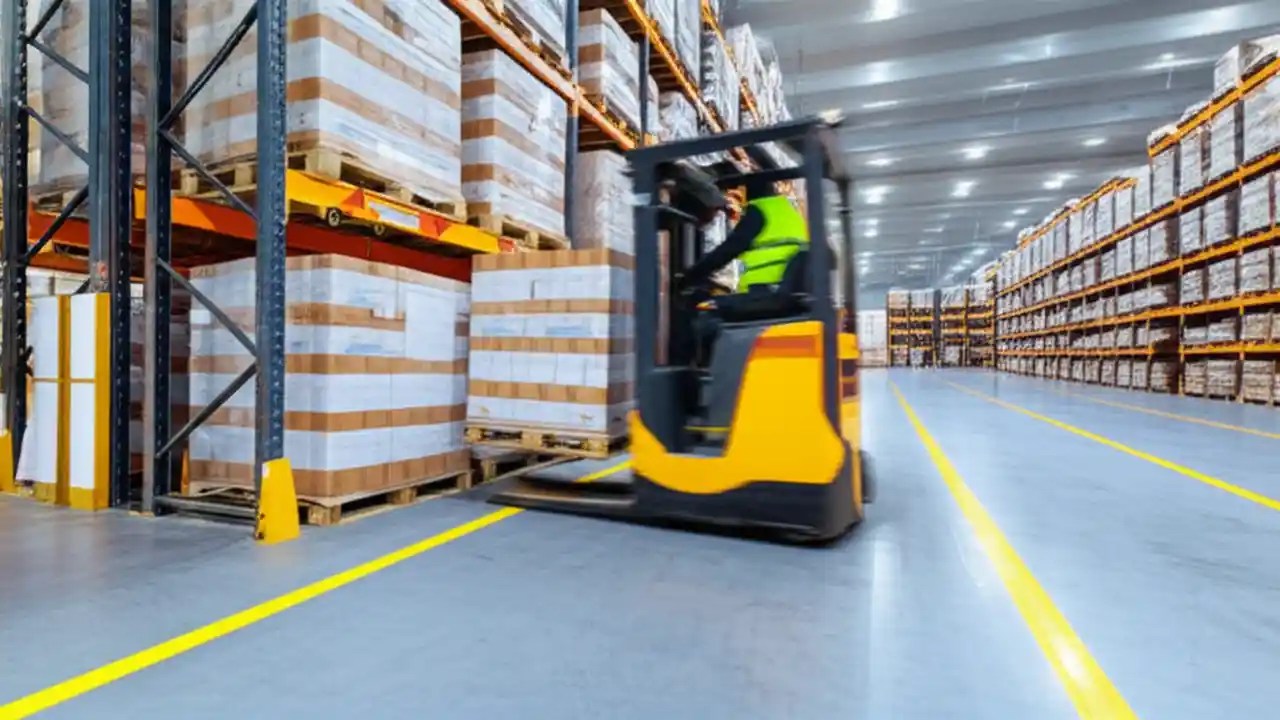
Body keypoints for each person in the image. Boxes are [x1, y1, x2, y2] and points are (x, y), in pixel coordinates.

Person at [681, 179, 809, 293]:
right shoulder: (791, 209)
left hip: (764, 293)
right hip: (781, 291)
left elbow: (728, 250)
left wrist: (690, 277)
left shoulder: (761, 210)